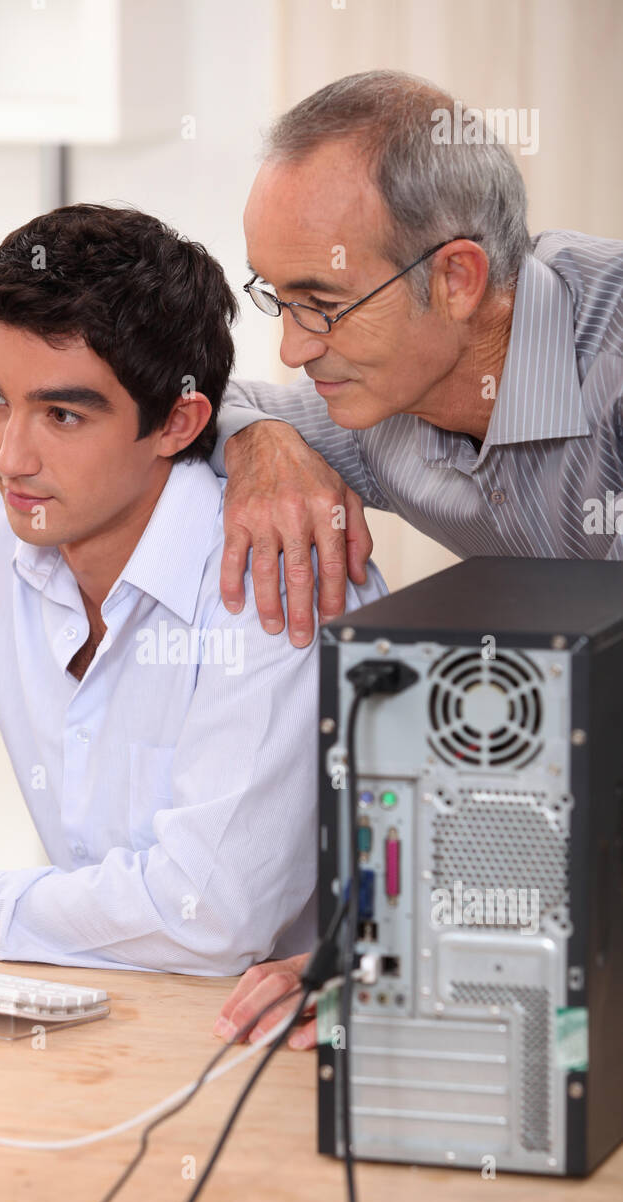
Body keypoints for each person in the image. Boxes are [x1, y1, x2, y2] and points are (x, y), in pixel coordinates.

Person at [0, 203, 386, 978]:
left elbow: (207, 916)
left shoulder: (275, 567)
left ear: (179, 422)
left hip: (281, 1046)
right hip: (95, 1019)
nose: (10, 458)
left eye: (60, 414)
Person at [210, 69, 623, 1046]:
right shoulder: (377, 394)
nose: (292, 349)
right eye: (275, 296)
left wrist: (416, 936)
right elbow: (200, 395)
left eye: (321, 301)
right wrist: (252, 442)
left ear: (457, 278)